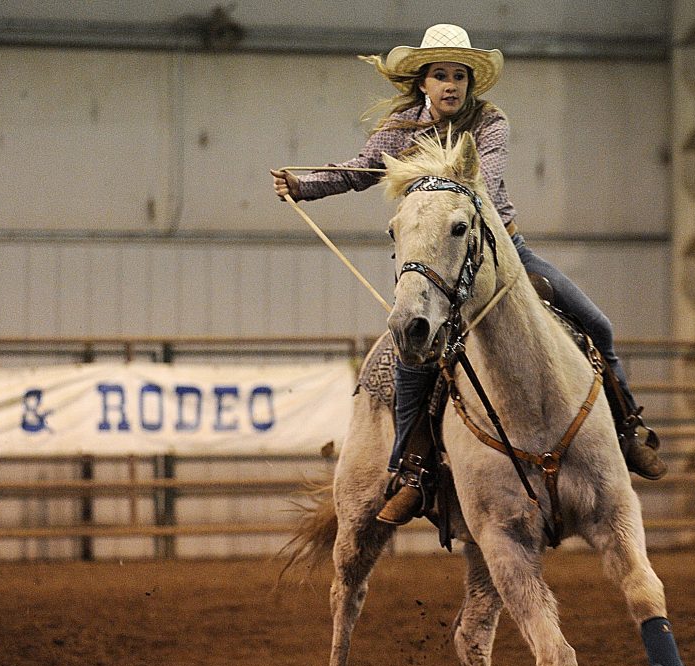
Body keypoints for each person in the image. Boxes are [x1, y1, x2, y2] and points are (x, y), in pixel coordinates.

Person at [272, 24, 665, 526]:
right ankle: (409, 472)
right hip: (439, 260)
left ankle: (627, 427)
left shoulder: (490, 123)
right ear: (423, 82)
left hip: (503, 253)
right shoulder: (399, 130)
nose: (451, 85)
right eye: (441, 75)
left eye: (459, 76)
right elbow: (362, 169)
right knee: (412, 358)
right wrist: (304, 186)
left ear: (469, 83)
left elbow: (488, 177)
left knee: (597, 323)